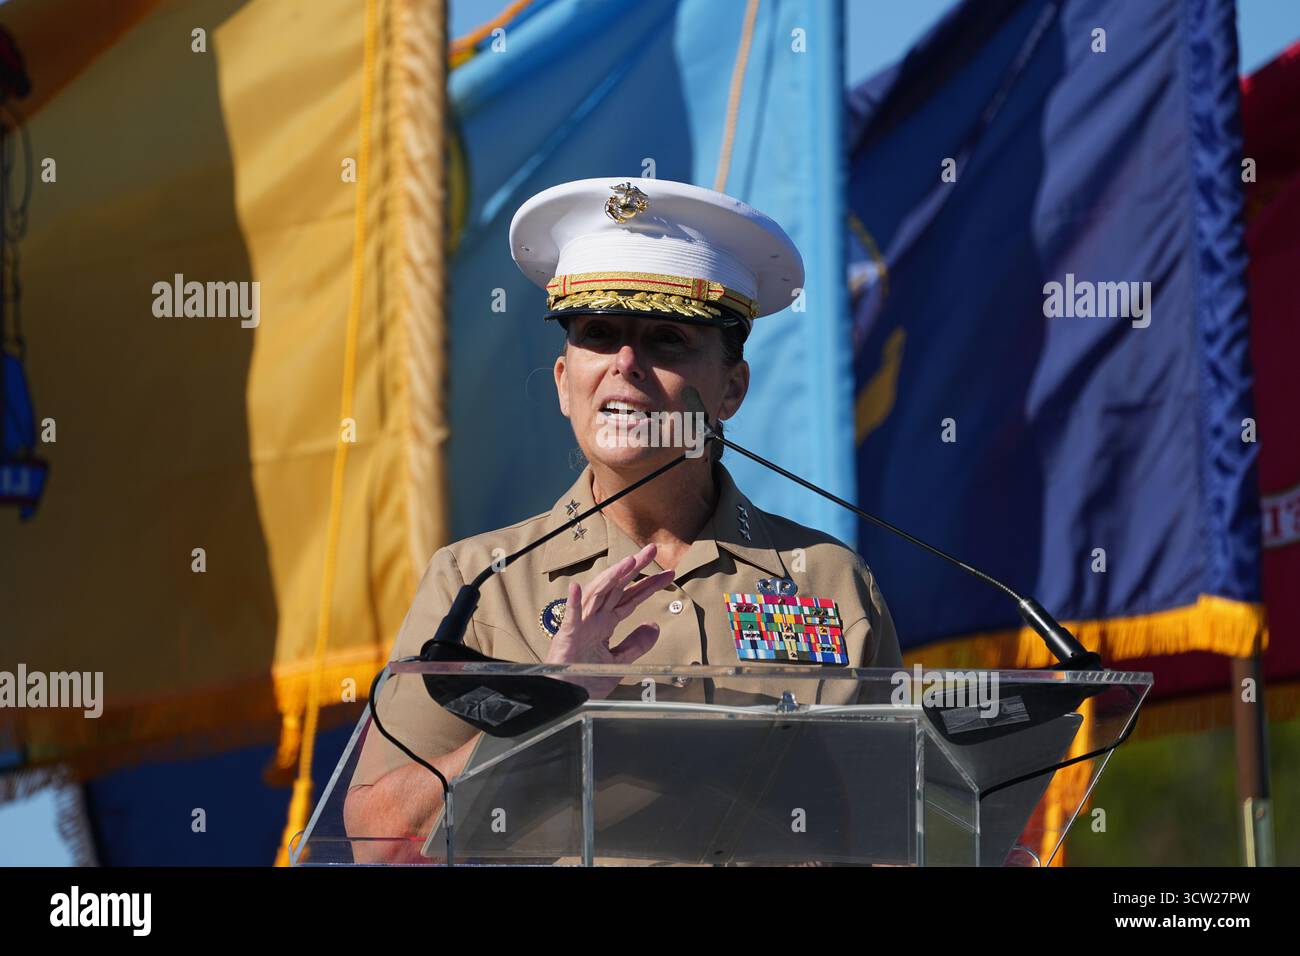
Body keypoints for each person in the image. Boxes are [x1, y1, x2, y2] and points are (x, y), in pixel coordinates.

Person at [343, 178, 902, 862]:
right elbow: (380, 838)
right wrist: (544, 706)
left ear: (731, 388)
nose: (626, 365)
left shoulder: (829, 580)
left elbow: (894, 835)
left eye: (668, 340)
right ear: (562, 381)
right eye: (599, 335)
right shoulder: (477, 584)